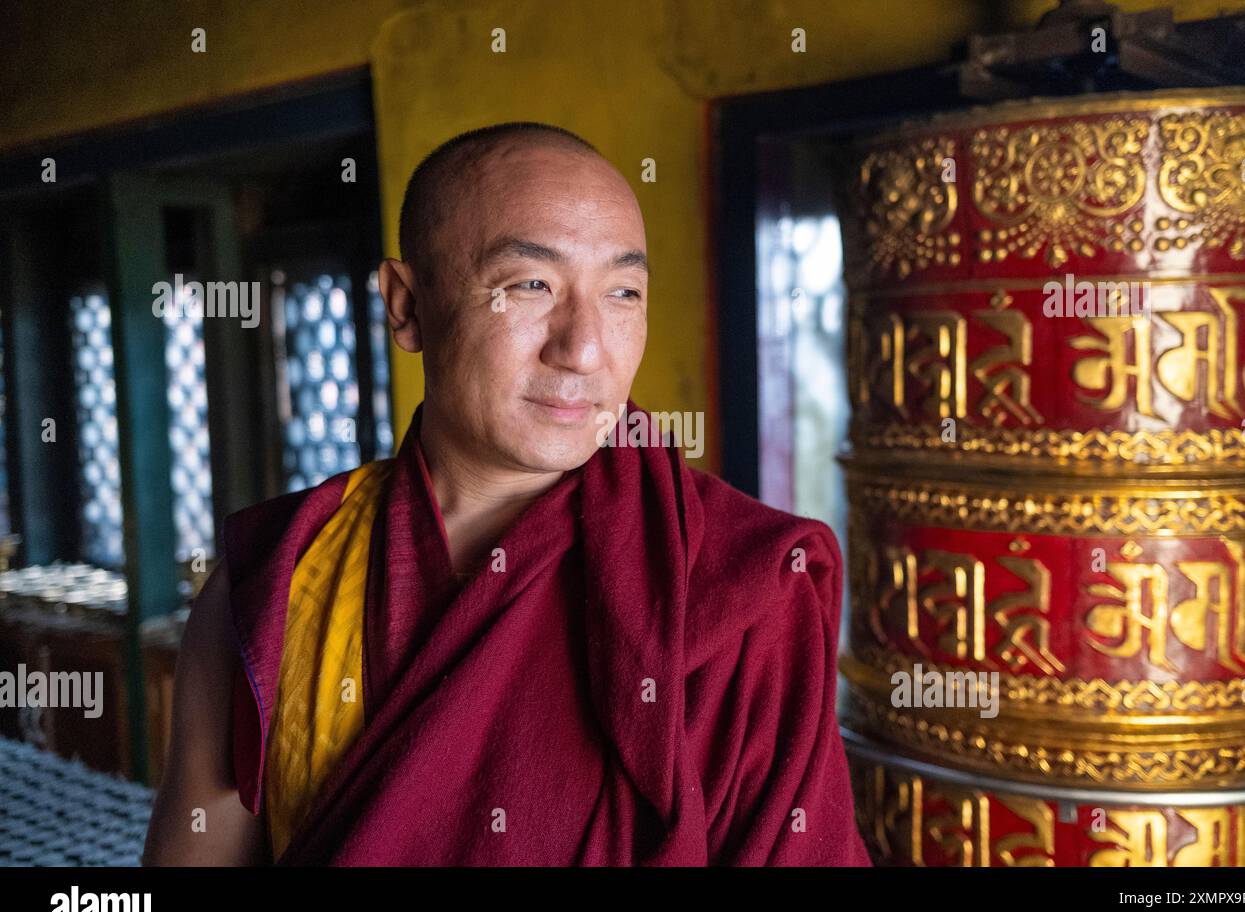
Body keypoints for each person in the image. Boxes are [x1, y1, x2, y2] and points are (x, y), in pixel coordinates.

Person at [143, 121, 871, 866]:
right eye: (531, 285)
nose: (584, 348)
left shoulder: (737, 578)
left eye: (624, 292)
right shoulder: (277, 578)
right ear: (407, 305)